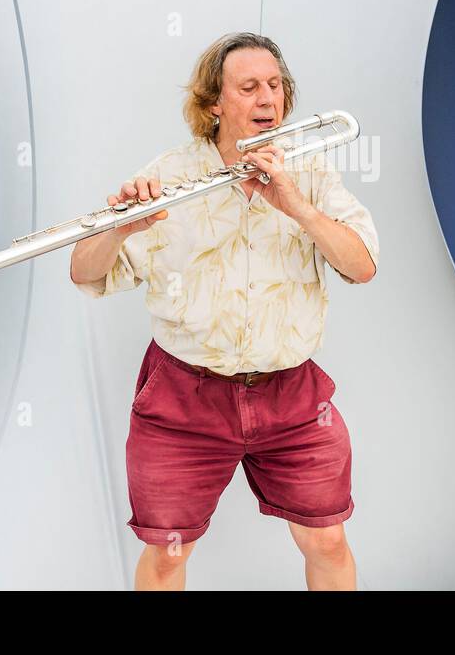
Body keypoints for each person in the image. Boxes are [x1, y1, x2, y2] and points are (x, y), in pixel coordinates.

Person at [69, 31, 378, 590]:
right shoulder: (168, 175)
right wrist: (120, 228)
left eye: (276, 86)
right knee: (166, 555)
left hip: (293, 397)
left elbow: (361, 266)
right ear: (214, 103)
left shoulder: (308, 172)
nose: (268, 100)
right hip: (184, 398)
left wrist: (296, 206)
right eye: (249, 87)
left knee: (327, 539)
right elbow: (85, 273)